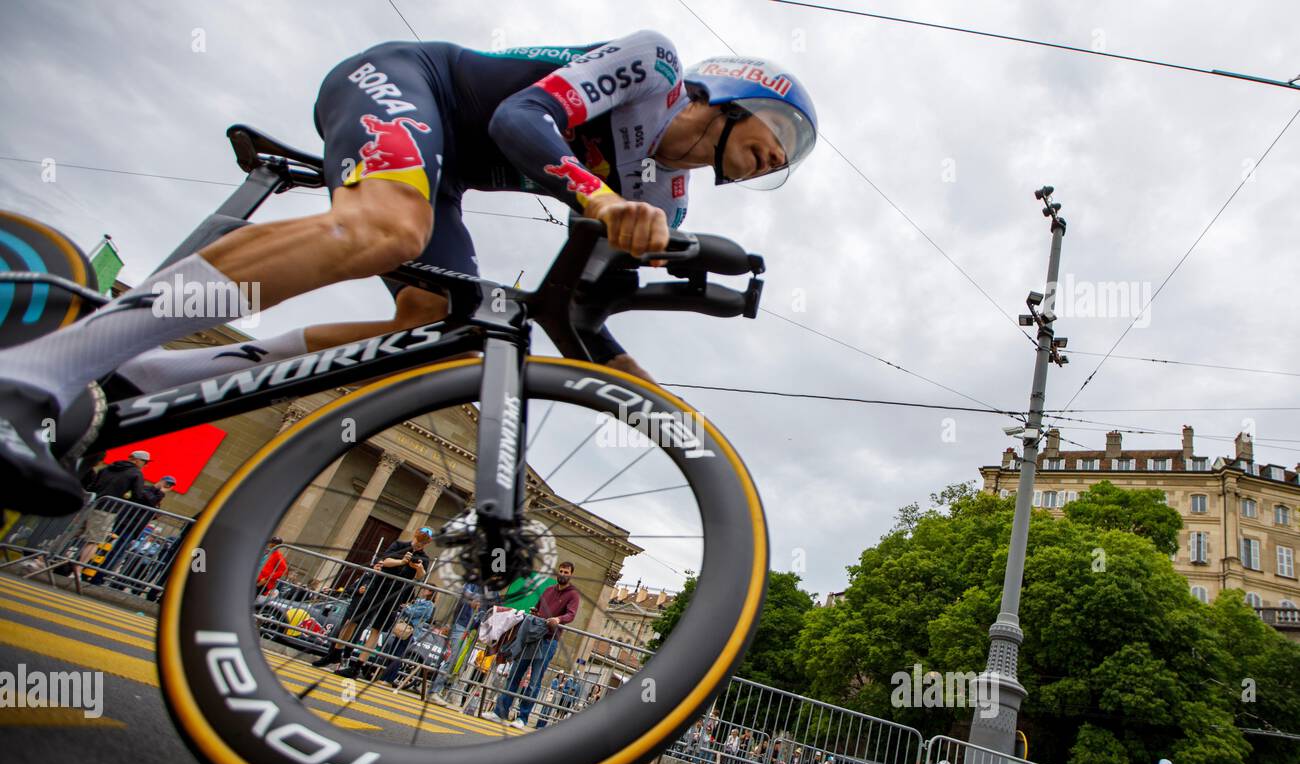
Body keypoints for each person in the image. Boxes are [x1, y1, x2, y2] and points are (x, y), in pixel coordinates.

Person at [0, 33, 819, 518]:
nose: (766, 163)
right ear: (734, 96)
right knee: (389, 226)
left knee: (441, 338)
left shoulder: (665, 200)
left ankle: (142, 372)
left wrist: (661, 410)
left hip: (446, 176)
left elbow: (578, 314)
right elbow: (519, 119)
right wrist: (599, 198)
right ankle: (28, 378)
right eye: (772, 137)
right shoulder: (654, 65)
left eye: (779, 166)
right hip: (409, 85)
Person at [316, 528, 432, 676]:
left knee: (376, 629)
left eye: (423, 543)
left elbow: (420, 577)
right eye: (418, 541)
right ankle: (335, 653)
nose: (419, 545)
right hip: (376, 587)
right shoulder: (399, 545)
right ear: (415, 536)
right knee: (353, 621)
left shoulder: (424, 558)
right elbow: (384, 561)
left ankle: (357, 666)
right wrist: (402, 561)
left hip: (394, 595)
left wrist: (419, 568)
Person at [488, 560, 581, 727]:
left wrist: (558, 619)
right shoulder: (548, 590)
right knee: (515, 674)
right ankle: (500, 712)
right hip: (532, 637)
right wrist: (534, 612)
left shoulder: (573, 594)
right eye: (561, 571)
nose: (563, 574)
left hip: (548, 640)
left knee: (534, 681)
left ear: (571, 574)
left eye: (566, 572)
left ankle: (522, 718)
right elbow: (538, 608)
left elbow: (571, 615)